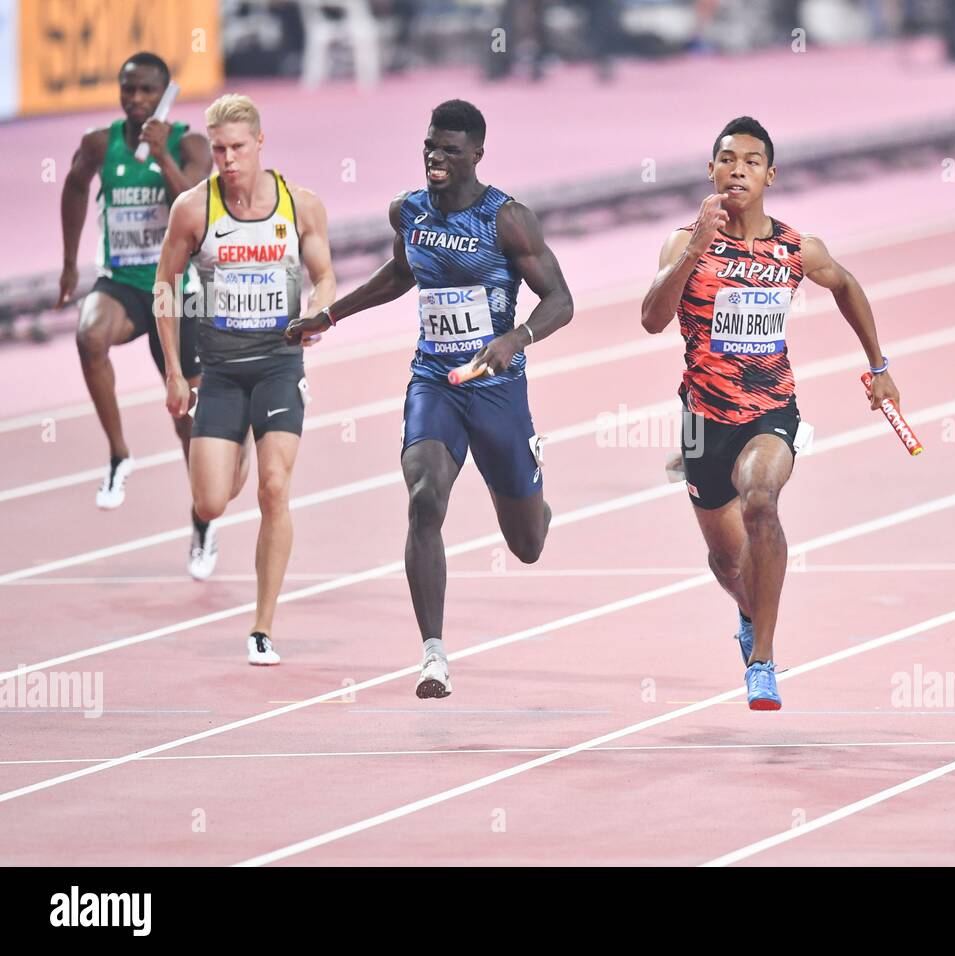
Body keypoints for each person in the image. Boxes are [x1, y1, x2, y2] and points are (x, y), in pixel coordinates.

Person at [284, 99, 573, 698]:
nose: (435, 158)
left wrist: (513, 339)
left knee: (527, 545)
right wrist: (331, 315)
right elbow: (402, 273)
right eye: (429, 146)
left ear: (477, 155)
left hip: (495, 389)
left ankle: (535, 495)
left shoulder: (508, 220)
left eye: (449, 150)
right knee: (423, 497)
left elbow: (561, 301)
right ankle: (434, 655)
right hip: (434, 381)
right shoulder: (408, 211)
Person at [640, 116, 902, 711]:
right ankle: (747, 610)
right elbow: (653, 319)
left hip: (771, 411)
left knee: (760, 498)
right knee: (727, 561)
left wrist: (879, 365)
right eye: (727, 159)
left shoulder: (795, 248)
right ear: (711, 170)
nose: (738, 169)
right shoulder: (683, 243)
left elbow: (845, 283)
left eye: (752, 161)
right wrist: (697, 251)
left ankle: (763, 659)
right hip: (705, 418)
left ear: (770, 175)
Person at [155, 94, 336, 665]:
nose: (227, 160)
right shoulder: (193, 209)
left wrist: (320, 313)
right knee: (210, 502)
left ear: (260, 143)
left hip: (280, 364)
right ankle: (234, 450)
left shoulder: (299, 205)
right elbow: (164, 289)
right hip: (220, 372)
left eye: (237, 148)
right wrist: (175, 374)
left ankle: (261, 626)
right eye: (217, 150)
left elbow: (325, 275)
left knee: (275, 488)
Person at [56, 51, 247, 578]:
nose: (136, 100)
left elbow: (194, 200)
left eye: (145, 90)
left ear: (162, 93)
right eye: (128, 90)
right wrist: (71, 263)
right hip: (122, 281)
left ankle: (202, 519)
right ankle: (119, 454)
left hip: (179, 291)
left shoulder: (186, 142)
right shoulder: (101, 142)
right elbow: (74, 185)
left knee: (186, 417)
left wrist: (160, 155)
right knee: (88, 338)